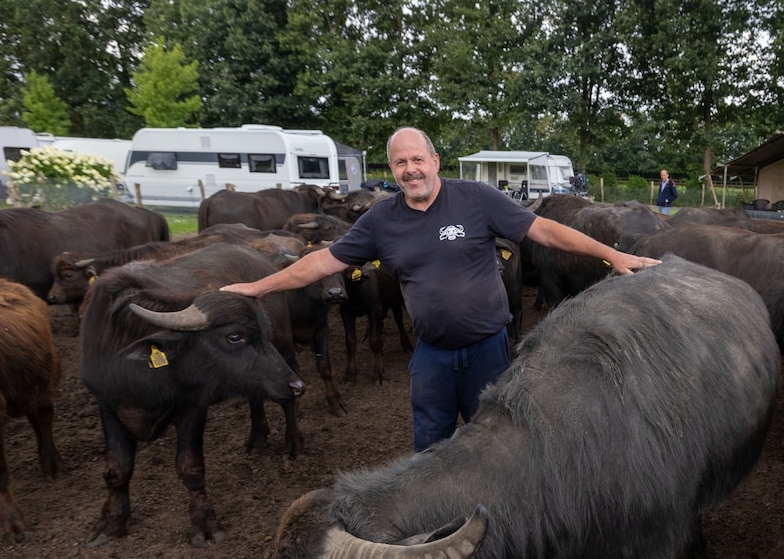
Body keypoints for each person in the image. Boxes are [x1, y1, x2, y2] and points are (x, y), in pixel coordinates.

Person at [222, 127, 661, 452]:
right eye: (400, 163)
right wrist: (260, 287)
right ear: (392, 170)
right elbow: (323, 261)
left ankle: (494, 521)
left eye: (417, 159)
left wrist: (612, 255)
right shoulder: (381, 220)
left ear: (434, 161)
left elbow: (544, 230)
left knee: (495, 440)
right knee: (430, 445)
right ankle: (436, 532)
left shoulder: (476, 199)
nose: (410, 169)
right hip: (431, 354)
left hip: (488, 348)